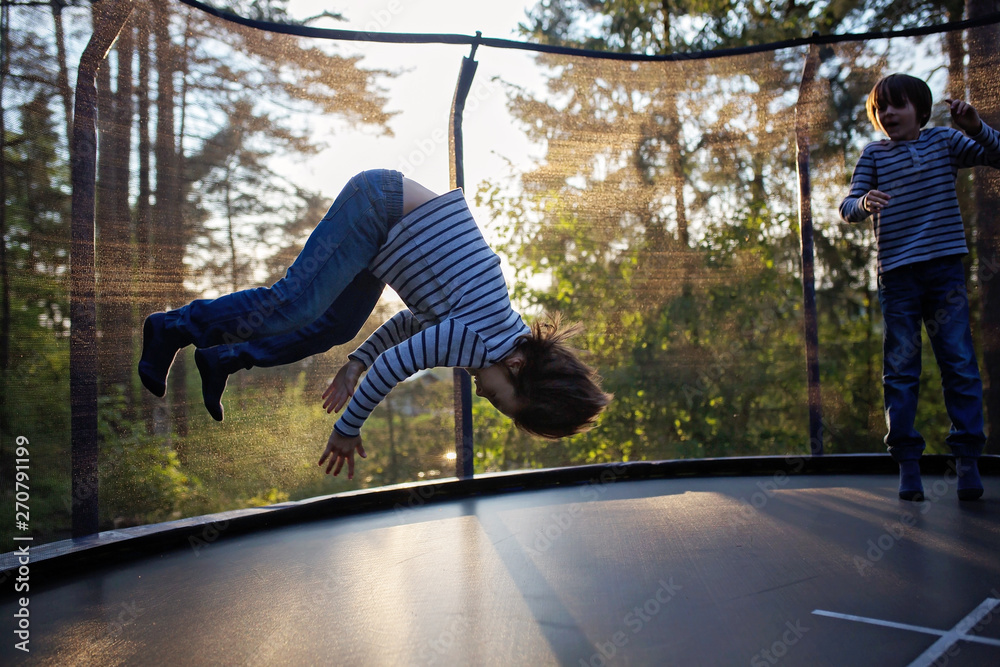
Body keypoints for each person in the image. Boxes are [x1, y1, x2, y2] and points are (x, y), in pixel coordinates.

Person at [138, 169, 612, 479]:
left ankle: (223, 358)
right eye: (499, 399)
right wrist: (348, 427)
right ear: (517, 363)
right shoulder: (476, 340)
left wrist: (354, 362)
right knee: (295, 304)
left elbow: (409, 325)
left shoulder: (490, 330)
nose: (483, 396)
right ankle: (171, 328)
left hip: (383, 235)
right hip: (380, 207)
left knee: (334, 327)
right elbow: (395, 366)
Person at [839, 73, 1000, 501]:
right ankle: (908, 465)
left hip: (945, 271)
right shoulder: (874, 154)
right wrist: (863, 203)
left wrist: (976, 127)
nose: (888, 113)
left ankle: (967, 461)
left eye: (898, 105)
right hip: (898, 276)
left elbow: (997, 154)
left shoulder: (945, 142)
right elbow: (847, 206)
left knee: (959, 363)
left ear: (921, 110)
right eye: (881, 108)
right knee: (902, 371)